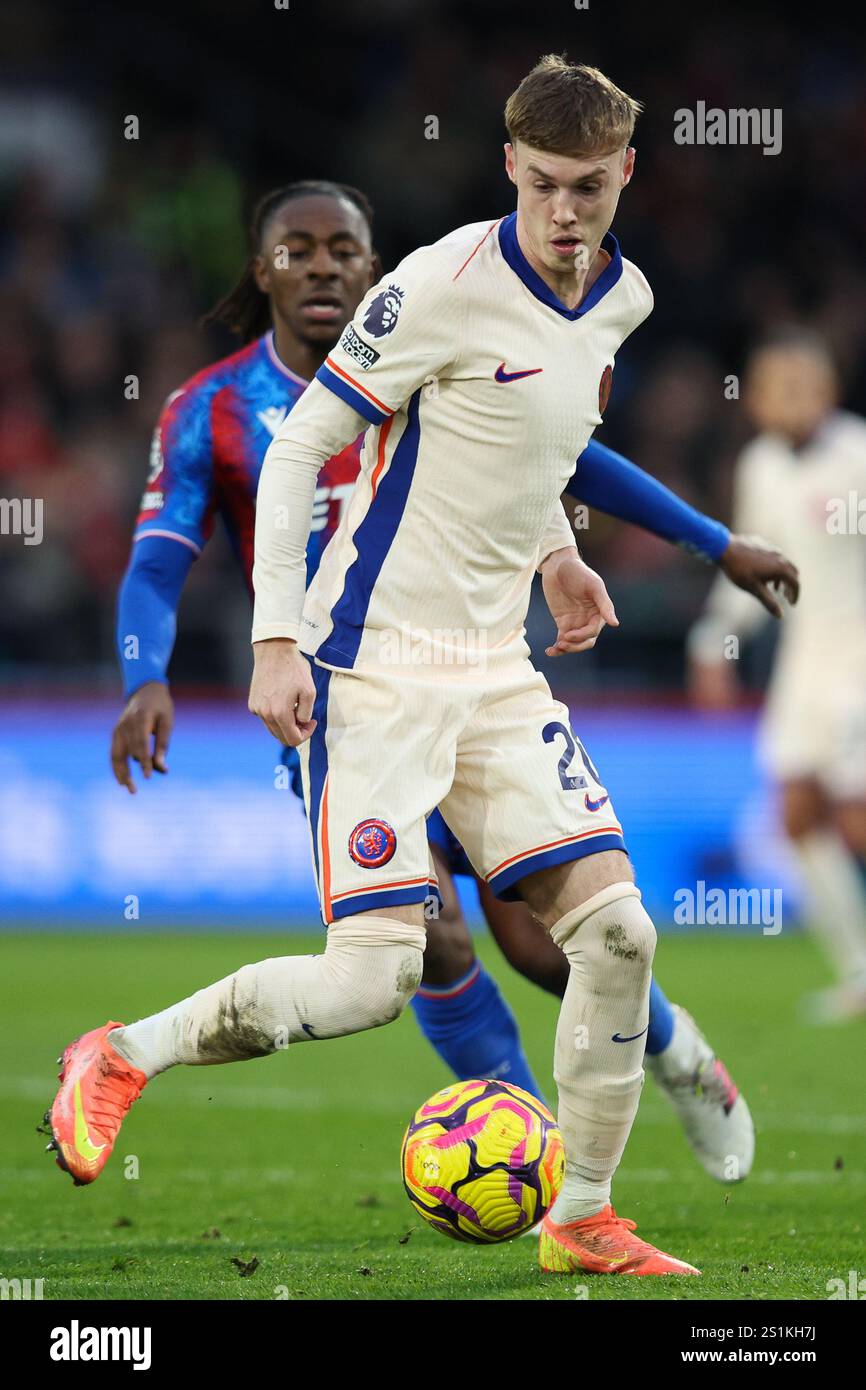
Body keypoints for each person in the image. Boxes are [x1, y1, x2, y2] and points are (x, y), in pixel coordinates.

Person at [50, 61, 796, 1277]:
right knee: (372, 981)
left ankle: (582, 1217)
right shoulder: (435, 285)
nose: (565, 211)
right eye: (544, 184)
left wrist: (557, 556)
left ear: (625, 177)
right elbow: (299, 455)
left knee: (614, 934)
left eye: (589, 187)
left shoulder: (622, 299)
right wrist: (278, 640)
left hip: (495, 664)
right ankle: (123, 1054)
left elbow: (527, 444)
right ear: (508, 167)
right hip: (375, 666)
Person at [688, 329, 866, 1023]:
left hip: (860, 659)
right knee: (797, 817)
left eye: (804, 384)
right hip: (805, 665)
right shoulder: (761, 464)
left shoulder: (856, 455)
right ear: (755, 399)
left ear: (829, 391)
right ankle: (857, 969)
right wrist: (714, 640)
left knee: (853, 814)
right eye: (774, 386)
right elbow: (754, 566)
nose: (789, 399)